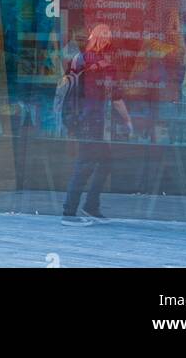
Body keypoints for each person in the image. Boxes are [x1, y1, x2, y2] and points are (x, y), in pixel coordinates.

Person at [61, 23, 132, 226]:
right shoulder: (103, 64)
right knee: (85, 164)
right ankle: (69, 212)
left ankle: (91, 206)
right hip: (91, 120)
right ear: (106, 40)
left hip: (79, 118)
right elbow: (115, 96)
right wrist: (127, 120)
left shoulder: (79, 59)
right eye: (108, 36)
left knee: (104, 161)